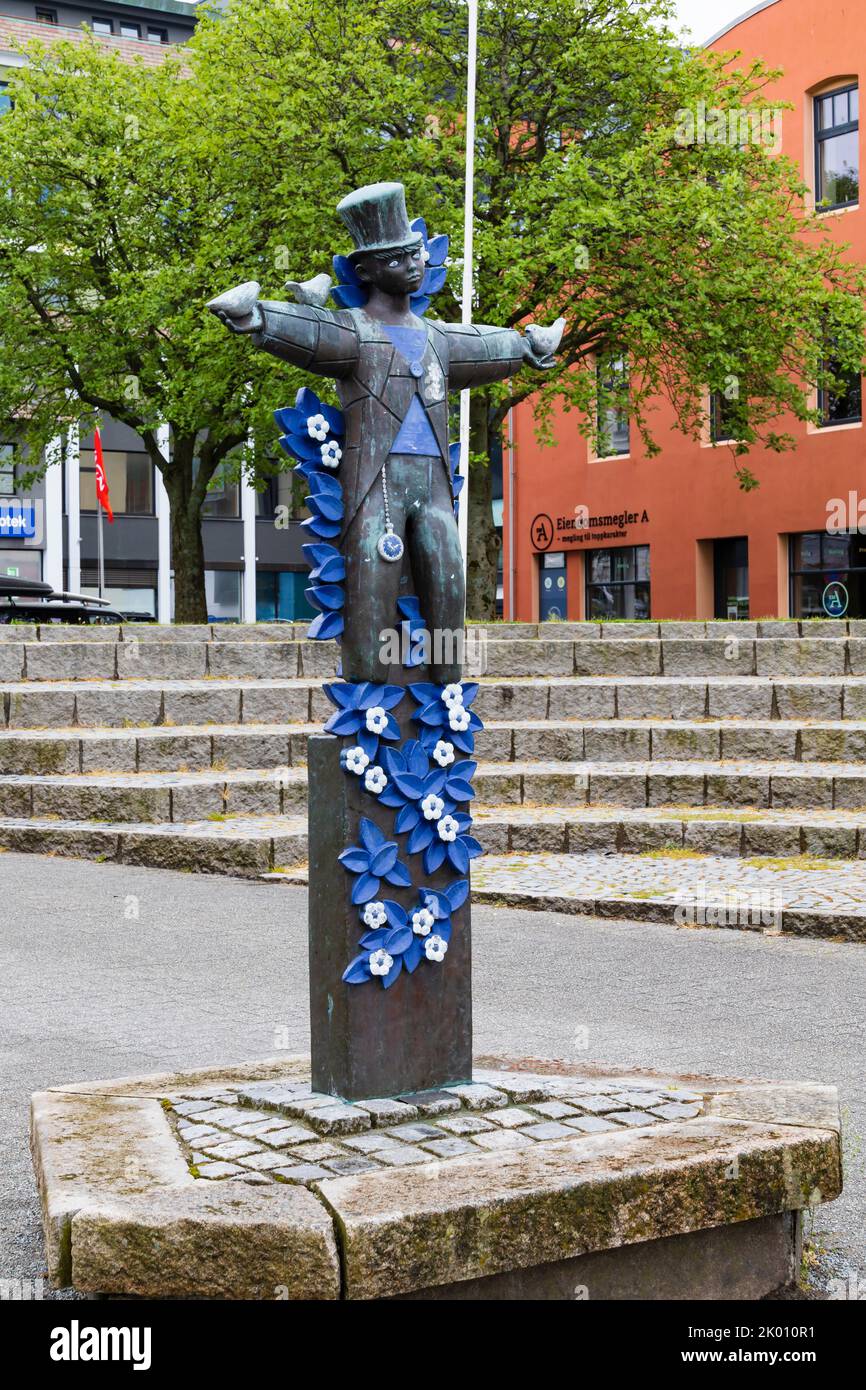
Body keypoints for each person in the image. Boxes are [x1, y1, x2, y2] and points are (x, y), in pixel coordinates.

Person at [209, 182, 562, 682]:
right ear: (367, 271)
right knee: (372, 590)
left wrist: (529, 347)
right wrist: (255, 316)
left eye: (416, 256)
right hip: (376, 485)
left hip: (434, 485)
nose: (414, 266)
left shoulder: (440, 337)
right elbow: (307, 332)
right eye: (398, 260)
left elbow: (487, 345)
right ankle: (367, 687)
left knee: (449, 584)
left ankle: (444, 691)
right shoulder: (353, 332)